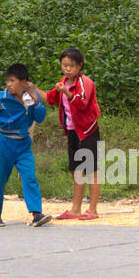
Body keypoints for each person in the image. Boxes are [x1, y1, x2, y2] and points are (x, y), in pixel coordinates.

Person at [0, 64, 50, 227]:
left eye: (12, 80)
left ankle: (37, 214)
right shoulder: (0, 97)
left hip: (23, 144)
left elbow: (39, 118)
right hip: (4, 142)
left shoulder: (29, 100)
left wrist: (37, 100)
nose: (9, 84)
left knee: (29, 176)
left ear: (24, 82)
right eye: (7, 81)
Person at [39, 48, 102, 220]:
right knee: (77, 170)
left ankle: (93, 210)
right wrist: (30, 88)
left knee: (91, 170)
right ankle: (75, 209)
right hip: (73, 131)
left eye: (71, 66)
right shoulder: (63, 82)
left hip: (88, 130)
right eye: (64, 65)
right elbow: (49, 98)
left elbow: (82, 102)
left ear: (79, 66)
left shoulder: (85, 82)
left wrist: (67, 92)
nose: (67, 69)